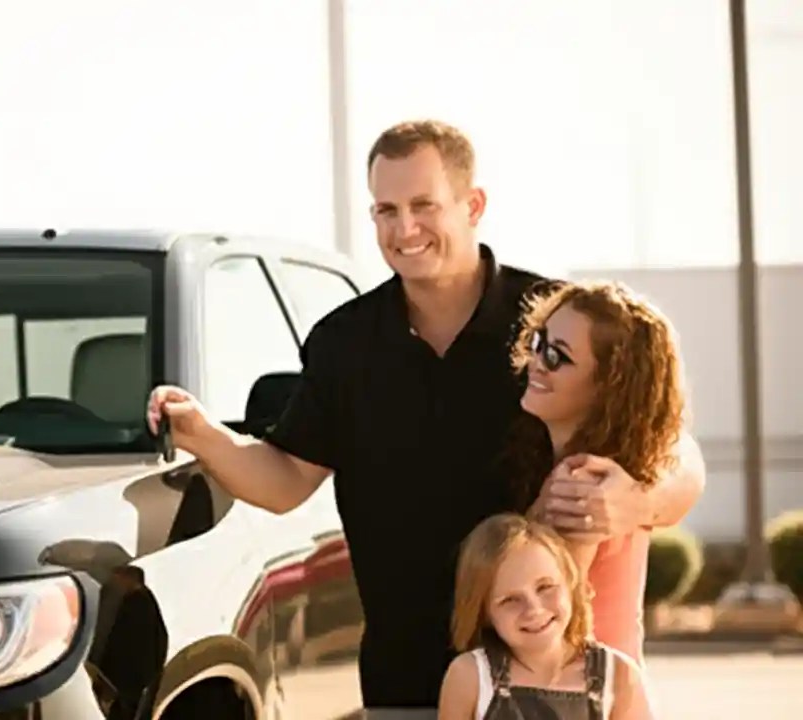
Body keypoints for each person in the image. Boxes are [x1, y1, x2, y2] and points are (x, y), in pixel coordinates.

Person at [146, 119, 706, 717]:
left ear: (473, 205)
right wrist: (204, 435)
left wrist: (641, 501)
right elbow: (285, 479)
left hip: (544, 690)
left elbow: (668, 444)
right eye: (385, 209)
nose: (403, 229)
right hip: (403, 680)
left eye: (423, 205)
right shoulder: (344, 342)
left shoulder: (552, 326)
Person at [507, 280, 688, 664]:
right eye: (539, 342)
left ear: (608, 387)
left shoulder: (581, 485)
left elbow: (550, 634)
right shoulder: (604, 469)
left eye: (558, 356)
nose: (537, 361)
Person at [438, 513, 654, 719]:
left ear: (571, 583)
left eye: (545, 587)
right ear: (484, 613)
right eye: (510, 600)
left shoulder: (619, 674)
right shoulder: (469, 676)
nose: (534, 609)